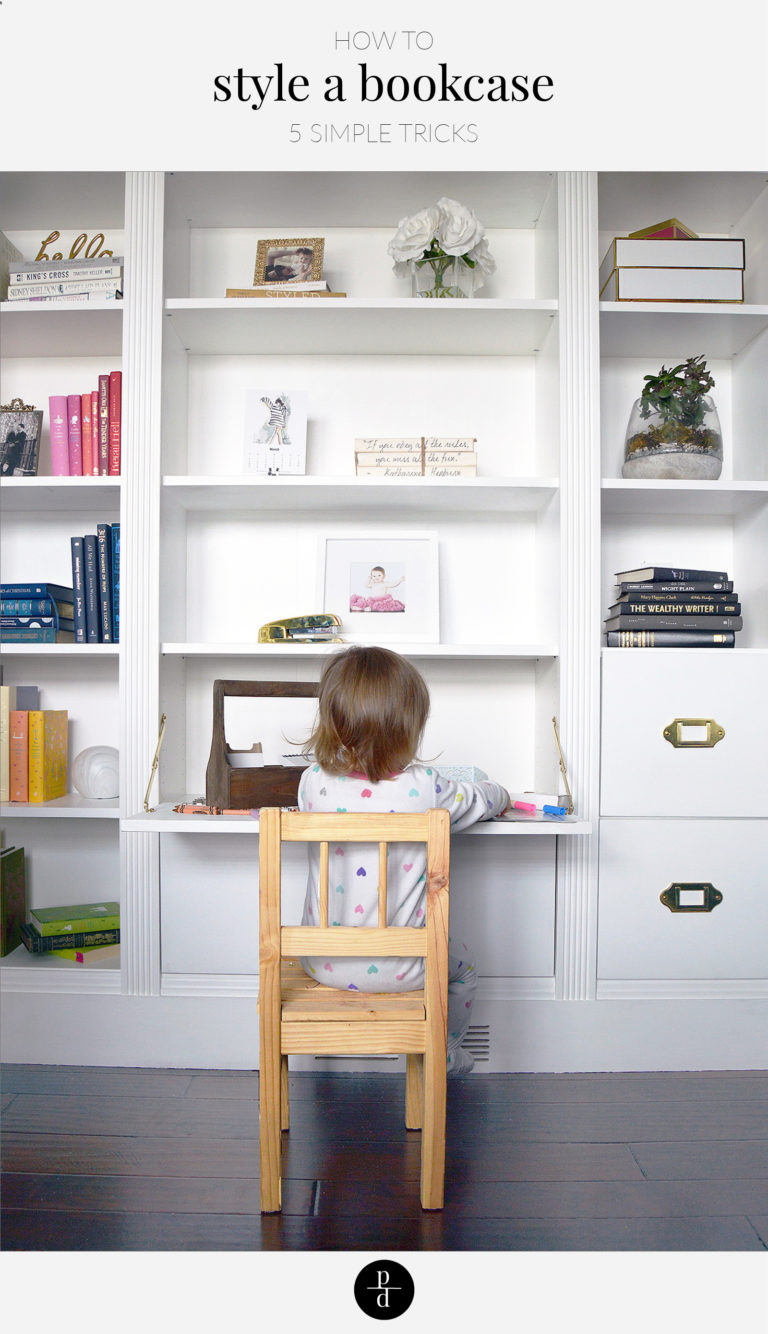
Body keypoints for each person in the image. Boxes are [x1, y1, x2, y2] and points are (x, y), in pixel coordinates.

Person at [297, 644, 511, 1074]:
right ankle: (446, 1051)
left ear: (332, 722)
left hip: (322, 962)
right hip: (407, 968)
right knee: (464, 967)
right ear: (407, 727)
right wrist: (499, 793)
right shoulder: (428, 787)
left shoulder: (311, 784)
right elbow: (481, 801)